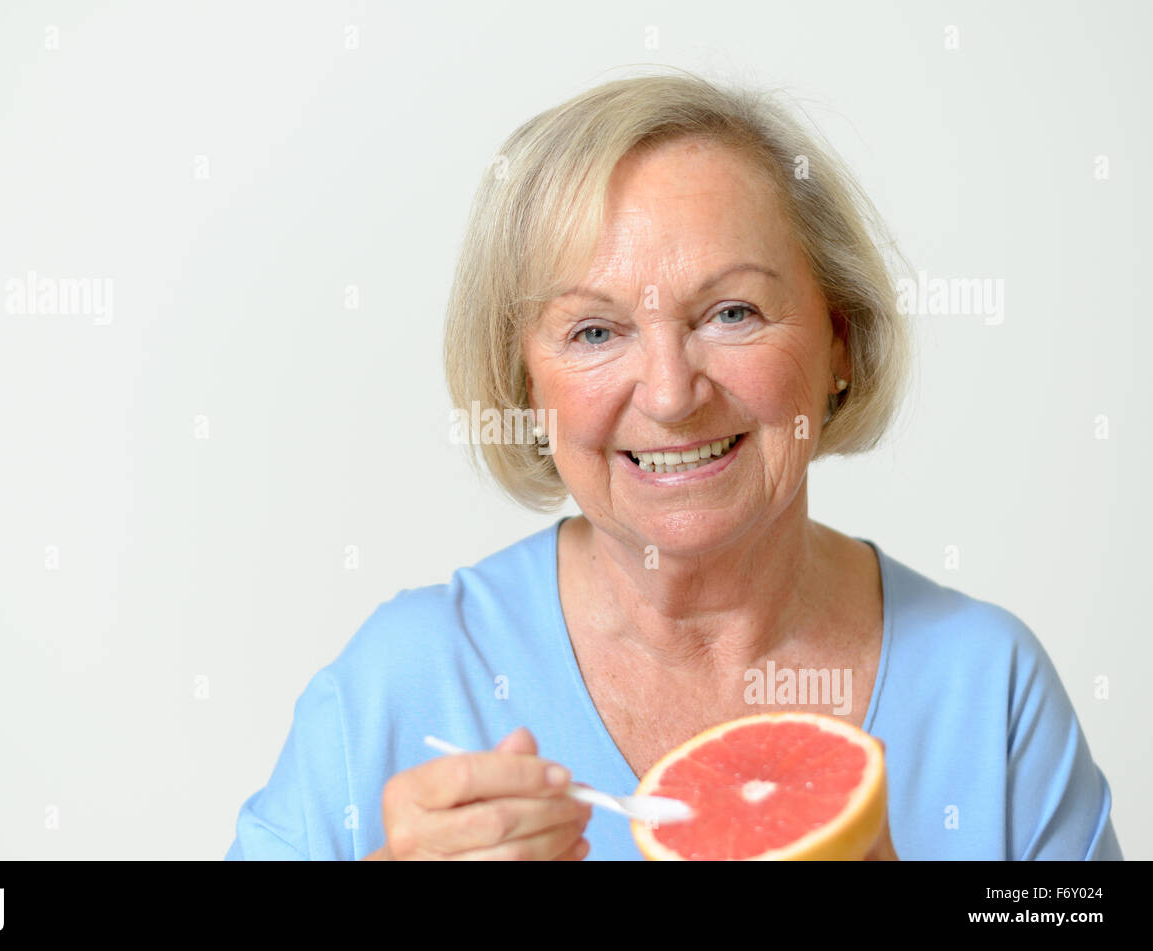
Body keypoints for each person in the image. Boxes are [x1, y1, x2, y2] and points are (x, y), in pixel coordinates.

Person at [226, 70, 1122, 860]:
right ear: (525, 385)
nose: (668, 392)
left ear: (839, 340)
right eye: (594, 331)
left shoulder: (989, 687)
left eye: (731, 313)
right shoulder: (405, 678)